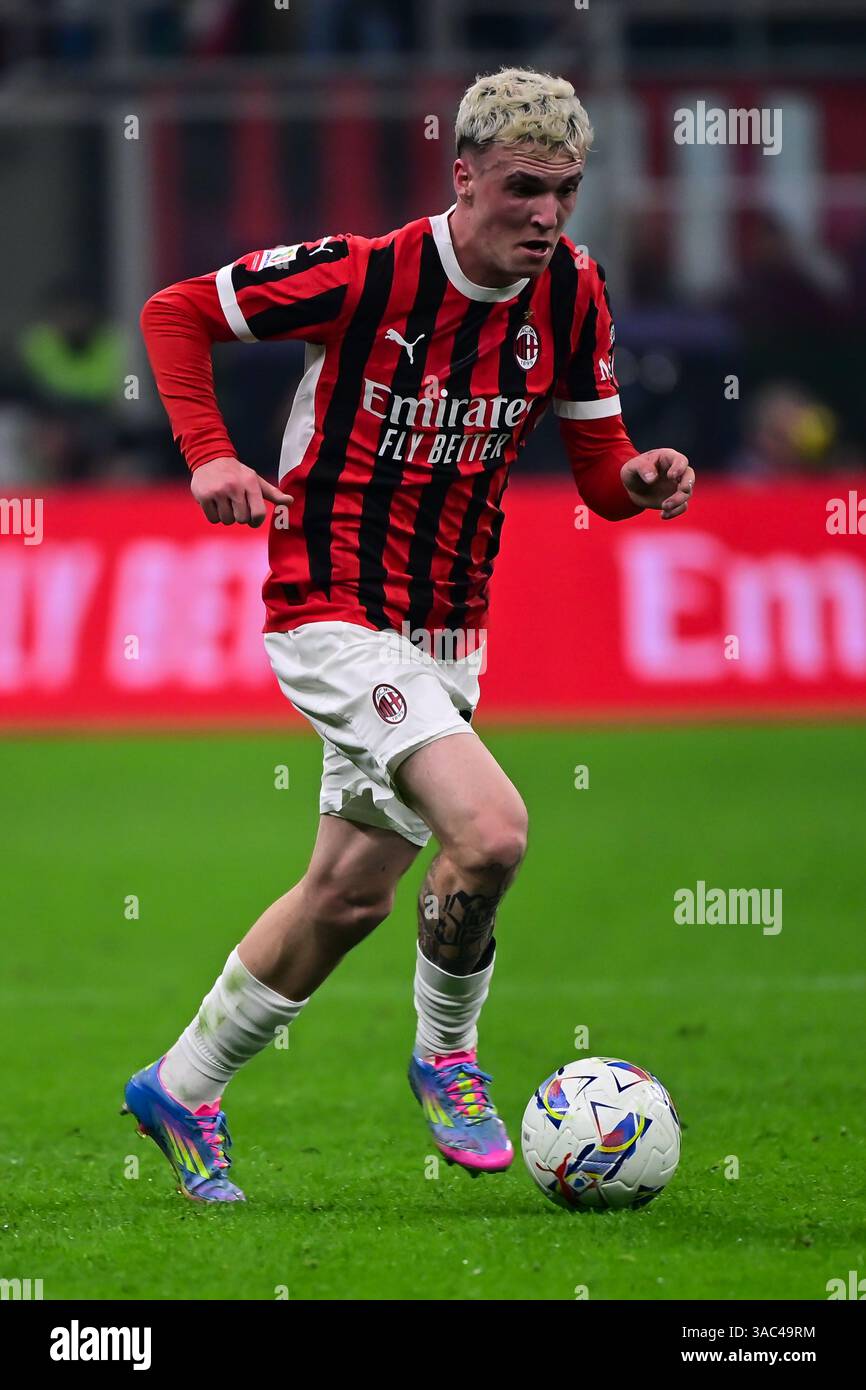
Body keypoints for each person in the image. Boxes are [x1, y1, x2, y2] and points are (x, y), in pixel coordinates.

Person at [125, 67, 695, 1202]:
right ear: (464, 174)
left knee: (348, 894)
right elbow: (175, 311)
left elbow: (593, 460)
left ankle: (181, 1085)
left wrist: (635, 480)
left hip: (447, 627)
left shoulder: (572, 291)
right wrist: (208, 457)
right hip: (329, 601)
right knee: (489, 834)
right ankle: (447, 1060)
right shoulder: (365, 273)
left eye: (566, 194)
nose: (545, 216)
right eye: (523, 189)